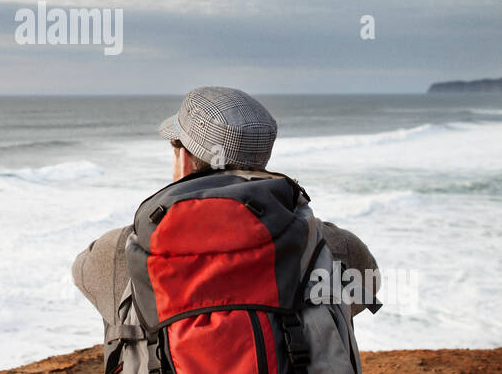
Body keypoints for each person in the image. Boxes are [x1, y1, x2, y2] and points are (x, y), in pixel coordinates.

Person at [72, 86, 380, 323]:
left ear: (184, 159)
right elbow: (364, 293)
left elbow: (83, 277)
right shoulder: (335, 249)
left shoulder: (118, 253)